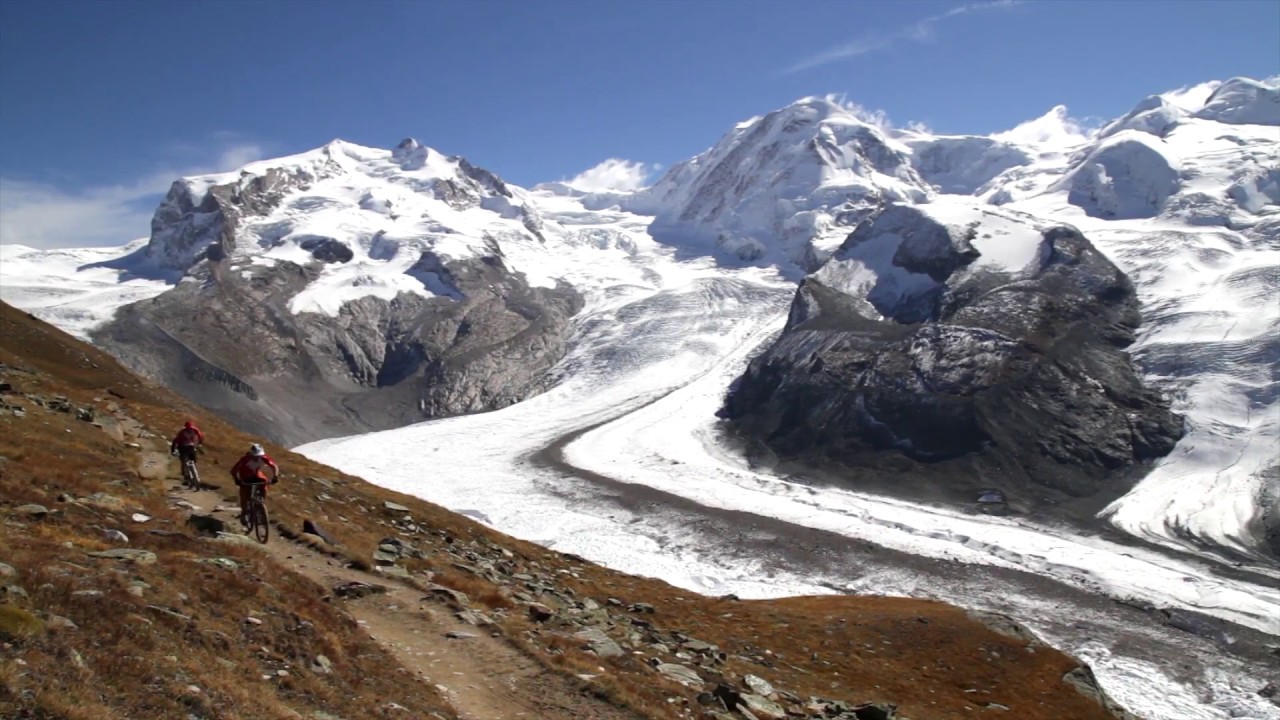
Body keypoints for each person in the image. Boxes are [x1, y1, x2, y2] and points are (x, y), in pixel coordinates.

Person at [230, 443, 280, 527]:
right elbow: (234, 470)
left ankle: (261, 505)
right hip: (245, 477)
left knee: (264, 482)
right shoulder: (245, 459)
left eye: (259, 456)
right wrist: (237, 479)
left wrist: (275, 476)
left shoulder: (263, 458)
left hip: (256, 474)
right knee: (245, 494)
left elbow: (274, 466)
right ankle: (244, 512)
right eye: (255, 456)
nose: (257, 458)